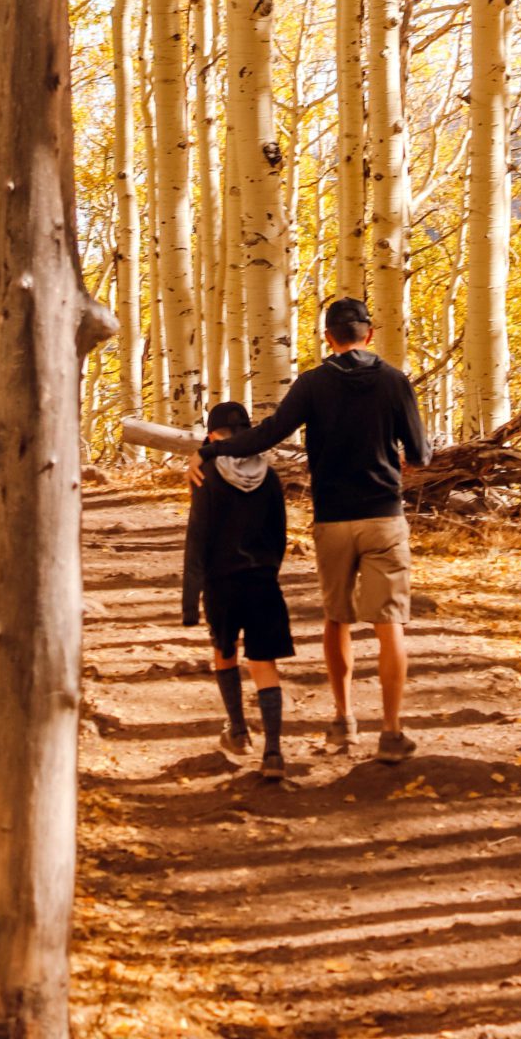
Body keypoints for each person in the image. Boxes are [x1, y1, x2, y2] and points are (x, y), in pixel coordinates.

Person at [197, 297, 430, 763]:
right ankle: (391, 732)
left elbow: (268, 433)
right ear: (369, 334)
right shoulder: (394, 381)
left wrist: (212, 450)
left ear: (328, 337)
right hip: (384, 517)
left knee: (337, 618)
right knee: (389, 624)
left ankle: (343, 722)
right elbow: (421, 454)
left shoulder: (312, 383)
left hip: (333, 518)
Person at [182, 399, 293, 782]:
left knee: (224, 651)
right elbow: (279, 534)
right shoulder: (270, 476)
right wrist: (269, 570)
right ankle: (273, 752)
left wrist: (190, 602)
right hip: (263, 582)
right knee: (264, 663)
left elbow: (197, 538)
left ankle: (239, 731)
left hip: (222, 583)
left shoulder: (207, 475)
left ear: (212, 436)